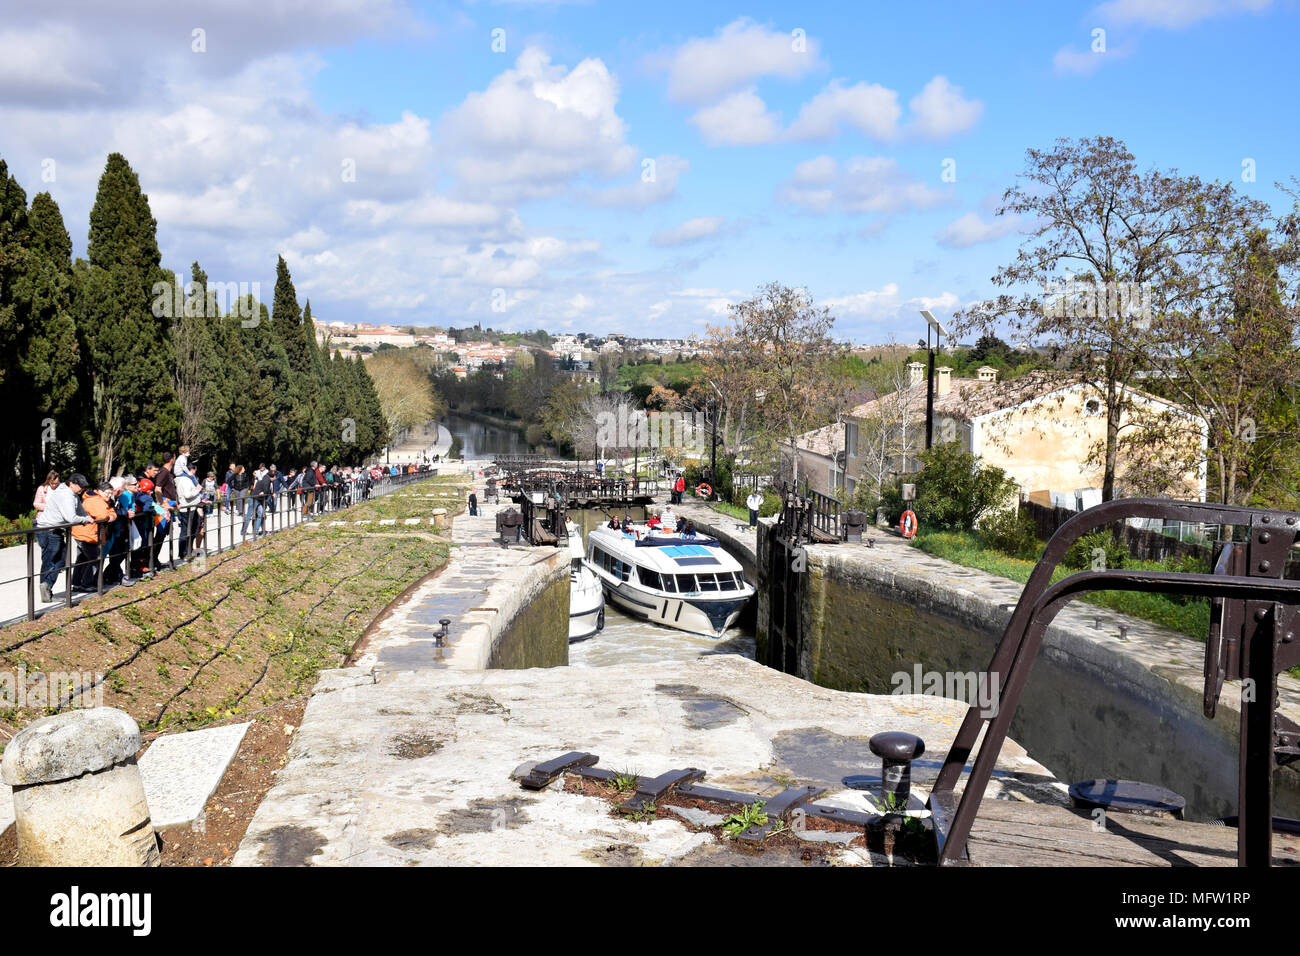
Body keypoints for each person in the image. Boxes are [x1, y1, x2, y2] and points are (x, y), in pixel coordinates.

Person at [34, 472, 93, 602]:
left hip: (54, 529)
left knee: (59, 559)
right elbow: (71, 518)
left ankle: (46, 586)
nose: (82, 489)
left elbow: (80, 510)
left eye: (84, 487)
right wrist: (85, 520)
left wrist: (87, 517)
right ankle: (46, 587)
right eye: (80, 486)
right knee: (51, 560)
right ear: (71, 484)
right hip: (49, 529)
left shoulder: (72, 494)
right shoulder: (66, 495)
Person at [72, 481, 114, 592]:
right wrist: (109, 516)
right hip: (87, 534)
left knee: (82, 558)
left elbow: (111, 513)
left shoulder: (99, 500)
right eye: (107, 493)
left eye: (111, 494)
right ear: (100, 491)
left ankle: (76, 583)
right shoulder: (95, 501)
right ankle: (86, 584)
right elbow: (102, 515)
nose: (109, 496)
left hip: (84, 533)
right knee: (95, 558)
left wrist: (111, 515)